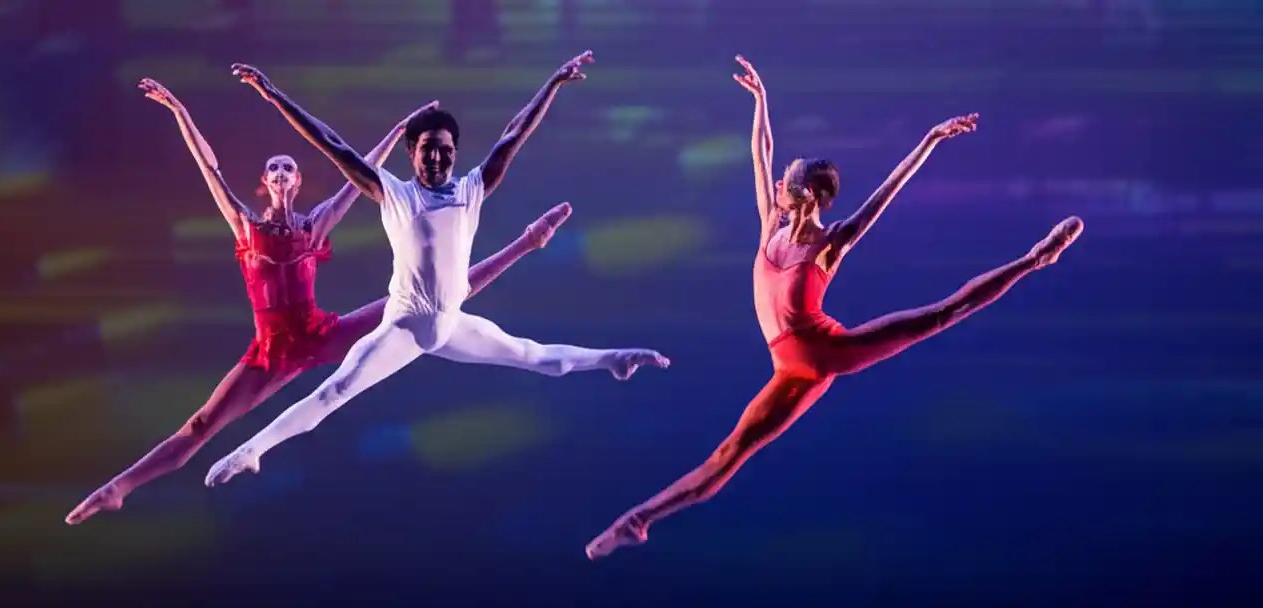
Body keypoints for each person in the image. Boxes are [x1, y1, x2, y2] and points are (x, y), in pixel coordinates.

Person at [584, 56, 1084, 559]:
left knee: (940, 314)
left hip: (827, 352)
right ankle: (636, 520)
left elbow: (887, 192)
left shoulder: (830, 244)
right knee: (727, 454)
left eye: (787, 181)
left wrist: (929, 141)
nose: (777, 183)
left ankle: (1035, 258)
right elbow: (761, 154)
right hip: (790, 370)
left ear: (809, 195)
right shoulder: (769, 227)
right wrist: (761, 102)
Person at [66, 79, 568, 524]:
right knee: (201, 424)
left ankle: (525, 244)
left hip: (320, 333)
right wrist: (179, 111)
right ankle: (118, 488)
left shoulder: (316, 224)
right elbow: (209, 166)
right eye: (274, 168)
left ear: (298, 181)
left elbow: (356, 165)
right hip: (270, 351)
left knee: (439, 298)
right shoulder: (246, 225)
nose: (282, 172)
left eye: (289, 166)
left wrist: (398, 133)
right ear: (265, 183)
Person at [204, 54, 668, 487]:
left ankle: (614, 358)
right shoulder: (392, 193)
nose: (437, 158)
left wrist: (553, 84)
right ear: (412, 152)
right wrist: (274, 95)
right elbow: (332, 143)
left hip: (450, 324)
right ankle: (253, 449)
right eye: (427, 149)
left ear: (455, 151)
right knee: (337, 389)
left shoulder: (471, 189)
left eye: (445, 150)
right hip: (404, 326)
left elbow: (513, 134)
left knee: (535, 355)